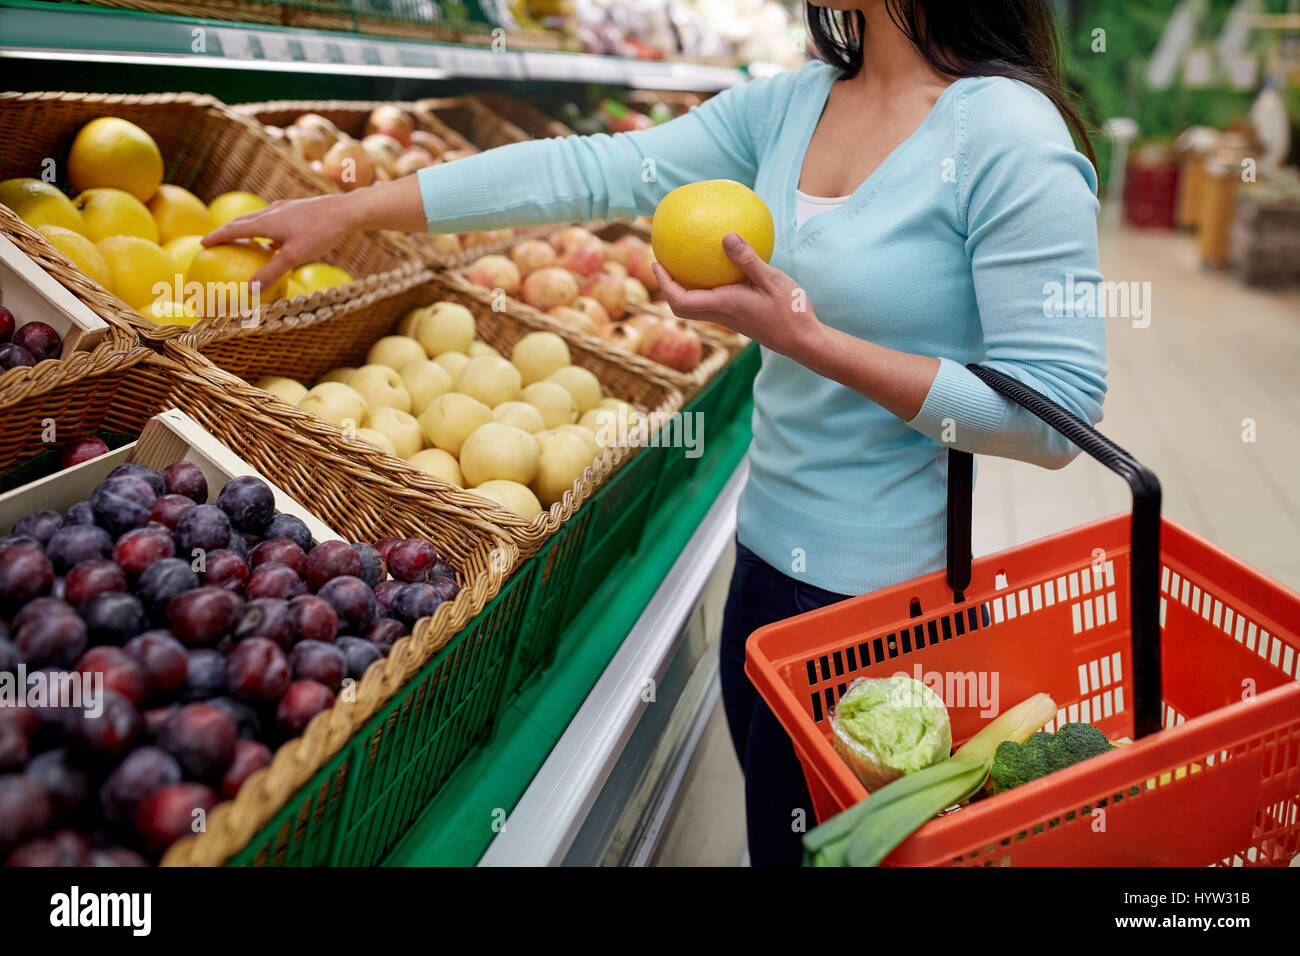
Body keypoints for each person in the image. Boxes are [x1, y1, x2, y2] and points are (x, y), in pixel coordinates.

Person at [205, 0, 1107, 867]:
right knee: (776, 847)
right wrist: (353, 207)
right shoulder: (794, 103)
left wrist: (811, 343)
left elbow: (1052, 412)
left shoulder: (1007, 135)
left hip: (880, 615)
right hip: (762, 579)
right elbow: (589, 170)